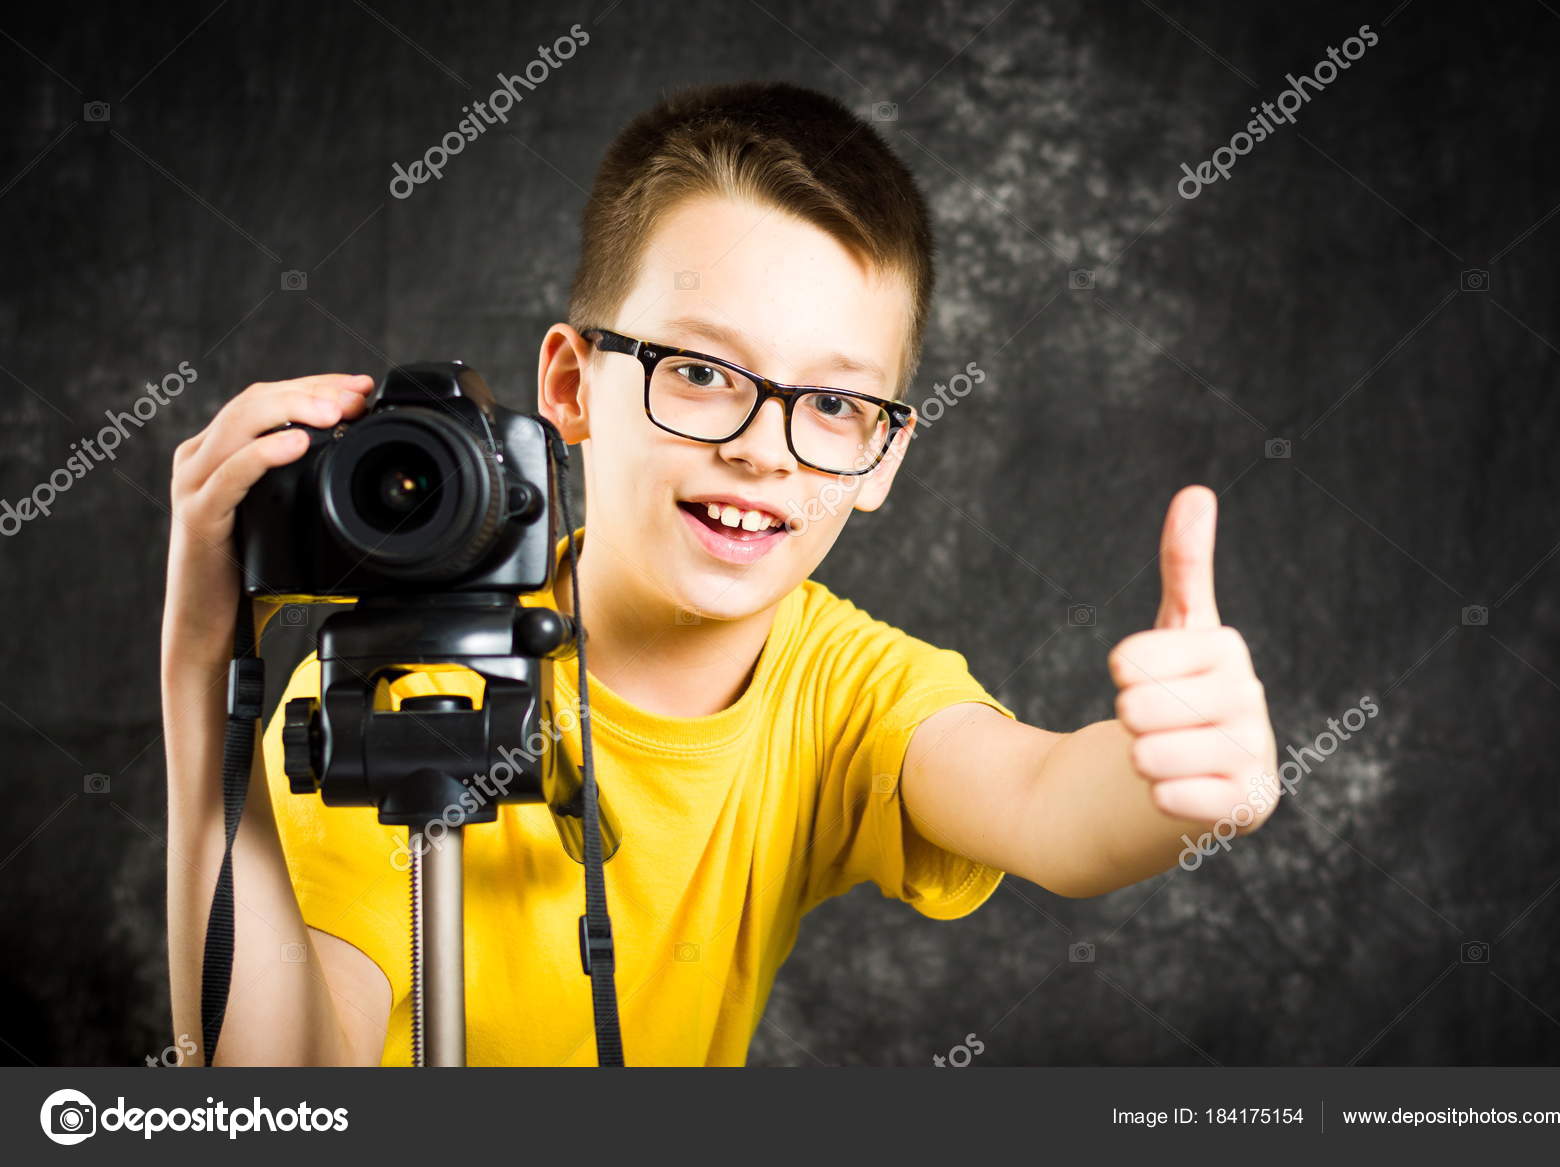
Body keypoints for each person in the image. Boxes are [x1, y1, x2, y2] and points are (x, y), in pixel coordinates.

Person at [161, 80, 1278, 1066]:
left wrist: (1170, 780)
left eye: (833, 403)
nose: (762, 448)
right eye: (699, 371)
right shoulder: (407, 685)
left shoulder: (840, 692)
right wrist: (201, 671)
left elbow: (1044, 803)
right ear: (572, 387)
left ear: (883, 455)